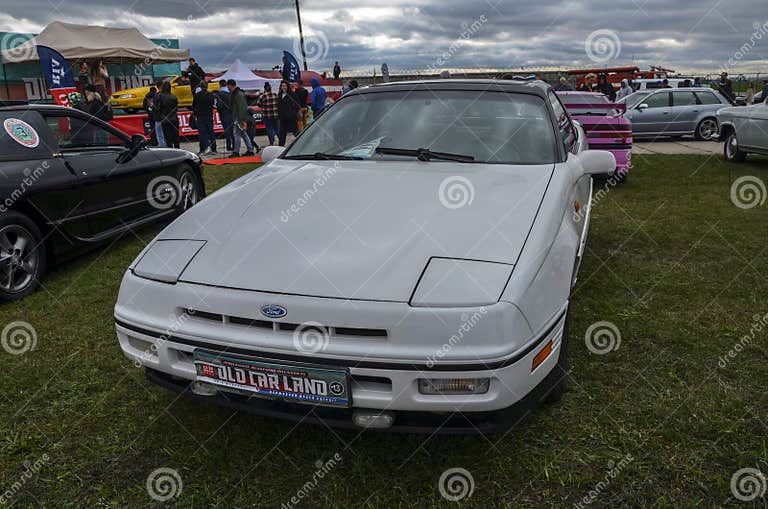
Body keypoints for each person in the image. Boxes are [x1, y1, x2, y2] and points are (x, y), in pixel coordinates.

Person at [227, 79, 254, 158]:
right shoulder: (236, 94)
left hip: (238, 118)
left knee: (236, 134)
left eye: (228, 86)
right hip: (238, 117)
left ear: (230, 85)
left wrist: (241, 120)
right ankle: (250, 150)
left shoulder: (238, 94)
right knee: (243, 134)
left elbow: (242, 108)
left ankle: (236, 152)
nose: (227, 88)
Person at [193, 81, 216, 155]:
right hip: (209, 115)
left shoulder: (197, 95)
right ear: (207, 86)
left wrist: (195, 113)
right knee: (211, 132)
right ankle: (213, 149)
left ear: (200, 87)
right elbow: (213, 104)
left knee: (202, 133)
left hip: (200, 115)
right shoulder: (211, 95)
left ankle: (204, 148)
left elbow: (193, 106)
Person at [277, 80, 301, 146]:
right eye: (282, 86)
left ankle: (301, 143)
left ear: (287, 87)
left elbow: (297, 105)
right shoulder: (279, 95)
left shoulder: (292, 94)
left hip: (291, 118)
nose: (283, 87)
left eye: (285, 86)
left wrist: (292, 113)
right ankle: (281, 146)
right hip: (282, 118)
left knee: (296, 132)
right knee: (281, 133)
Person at [157, 81, 180, 148]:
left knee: (167, 137)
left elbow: (158, 108)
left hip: (164, 118)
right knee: (176, 136)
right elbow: (176, 108)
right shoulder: (174, 97)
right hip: (173, 118)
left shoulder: (160, 97)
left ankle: (171, 149)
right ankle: (177, 149)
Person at [213, 79, 233, 152]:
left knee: (227, 130)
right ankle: (233, 146)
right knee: (232, 130)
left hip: (224, 114)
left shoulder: (220, 94)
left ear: (220, 85)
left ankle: (228, 146)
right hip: (231, 113)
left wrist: (219, 110)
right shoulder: (230, 93)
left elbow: (219, 105)